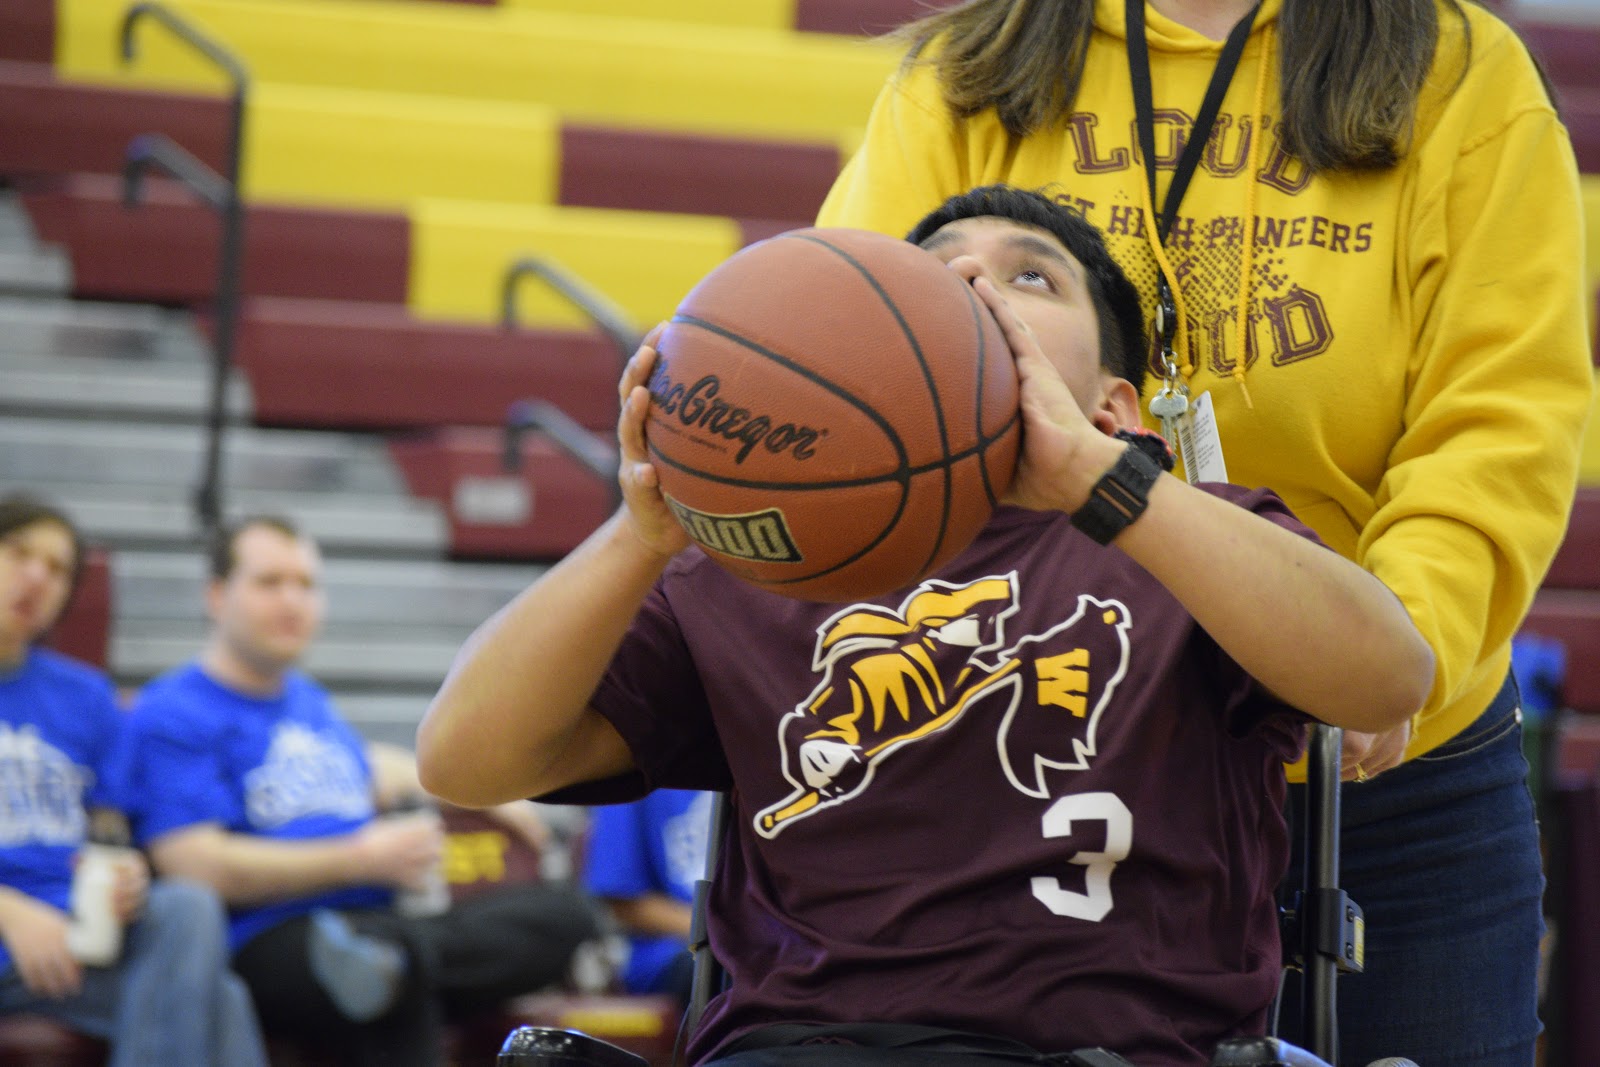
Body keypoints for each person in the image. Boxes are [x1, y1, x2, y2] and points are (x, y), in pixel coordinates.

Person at [415, 185, 1436, 1066]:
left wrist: (1092, 473)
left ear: (1115, 404)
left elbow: (1385, 677)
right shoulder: (745, 572)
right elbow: (462, 761)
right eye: (938, 270)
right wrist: (642, 532)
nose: (974, 288)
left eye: (1030, 278)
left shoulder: (1193, 539)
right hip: (796, 1049)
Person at [814, 4, 1593, 1063]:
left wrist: (1399, 639)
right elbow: (854, 360)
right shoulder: (975, 65)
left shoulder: (1460, 68)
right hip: (1058, 750)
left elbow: (1500, 413)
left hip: (1379, 788)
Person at [123, 515, 600, 1067]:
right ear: (216, 594)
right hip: (270, 937)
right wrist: (360, 859)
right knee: (384, 976)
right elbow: (194, 864)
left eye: (306, 584)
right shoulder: (173, 711)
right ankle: (388, 963)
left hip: (379, 924)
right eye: (270, 582)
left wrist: (487, 797)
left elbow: (384, 768)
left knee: (566, 916)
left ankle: (393, 961)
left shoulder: (310, 703)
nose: (292, 600)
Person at [0, 493, 269, 1067]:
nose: (35, 578)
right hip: (14, 939)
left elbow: (109, 831)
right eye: (18, 552)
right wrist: (11, 912)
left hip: (79, 939)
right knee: (221, 999)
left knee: (187, 905)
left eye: (57, 569)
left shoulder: (85, 696)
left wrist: (125, 878)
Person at [583, 789, 714, 1010]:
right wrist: (722, 933)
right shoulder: (634, 771)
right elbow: (622, 903)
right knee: (728, 968)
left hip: (754, 940)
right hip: (669, 952)